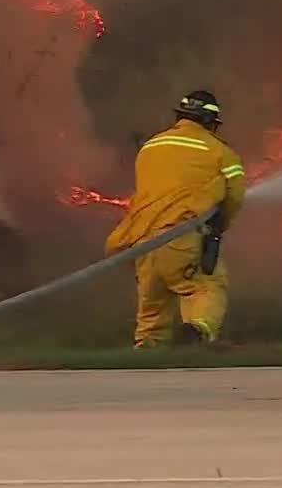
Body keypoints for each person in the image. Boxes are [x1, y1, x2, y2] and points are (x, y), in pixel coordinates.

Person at [105, 90, 246, 348]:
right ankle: (197, 331)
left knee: (152, 307)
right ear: (210, 122)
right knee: (204, 287)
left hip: (143, 240)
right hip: (182, 237)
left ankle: (146, 352)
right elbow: (234, 195)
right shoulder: (219, 152)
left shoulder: (151, 146)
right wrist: (219, 225)